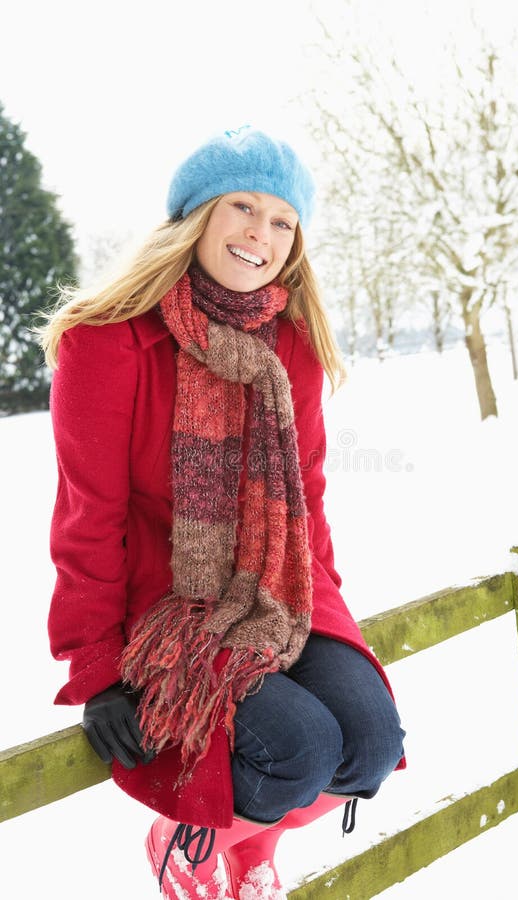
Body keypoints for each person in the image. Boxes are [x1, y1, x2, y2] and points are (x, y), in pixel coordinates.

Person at [40, 126, 406, 900]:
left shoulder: (291, 349)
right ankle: (188, 836)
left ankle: (249, 845)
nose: (260, 234)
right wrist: (97, 668)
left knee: (370, 742)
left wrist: (324, 618)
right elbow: (87, 520)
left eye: (283, 221)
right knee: (299, 747)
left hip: (274, 591)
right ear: (195, 215)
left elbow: (304, 505)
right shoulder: (106, 345)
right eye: (242, 206)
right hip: (167, 612)